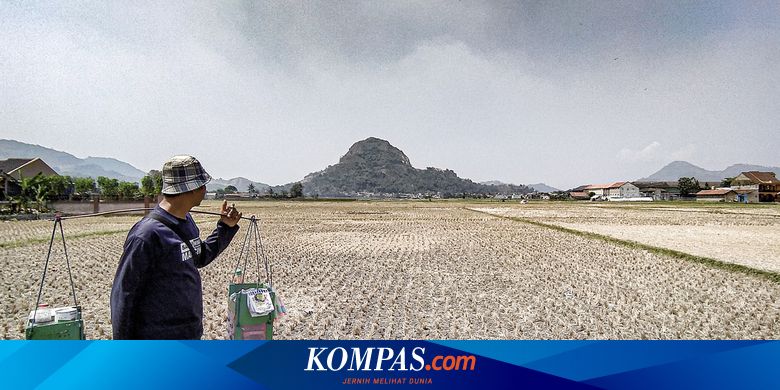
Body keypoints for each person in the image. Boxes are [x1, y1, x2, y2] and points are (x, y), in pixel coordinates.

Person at [110, 155, 242, 339]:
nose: (204, 189)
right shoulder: (146, 235)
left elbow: (200, 256)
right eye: (201, 185)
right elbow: (124, 296)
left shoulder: (187, 221)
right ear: (190, 188)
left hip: (189, 333)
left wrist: (225, 228)